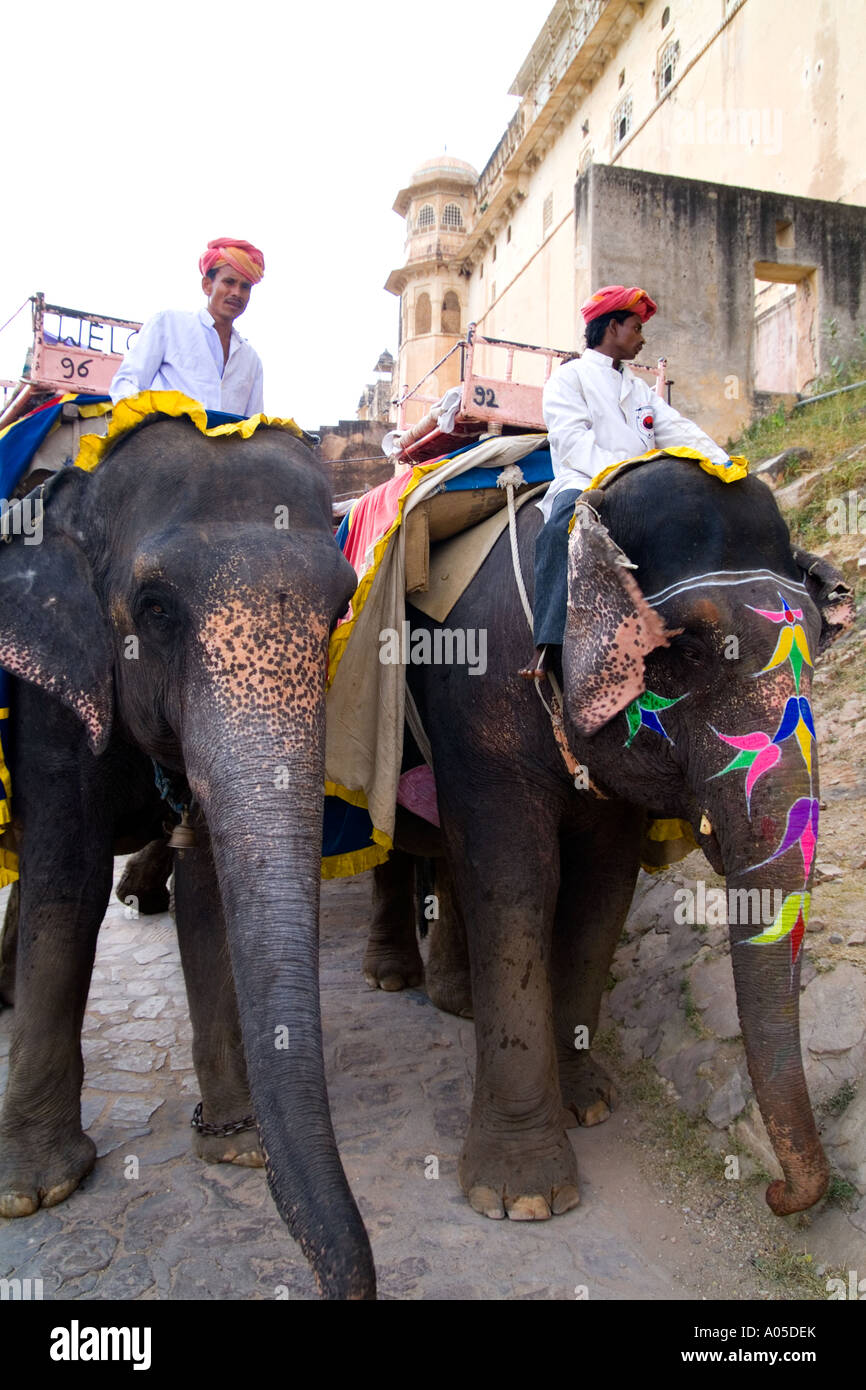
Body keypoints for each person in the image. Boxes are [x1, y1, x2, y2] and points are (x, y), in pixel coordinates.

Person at [521, 284, 733, 678]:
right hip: (585, 482)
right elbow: (572, 444)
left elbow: (680, 432)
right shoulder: (568, 381)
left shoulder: (639, 390)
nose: (642, 338)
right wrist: (626, 476)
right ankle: (550, 645)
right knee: (559, 531)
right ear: (612, 327)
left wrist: (722, 462)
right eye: (636, 328)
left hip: (645, 485)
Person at [110, 238, 265, 417]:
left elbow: (253, 424)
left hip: (226, 445)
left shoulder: (251, 360)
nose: (236, 293)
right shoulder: (168, 325)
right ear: (207, 285)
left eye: (245, 287)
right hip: (167, 440)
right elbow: (126, 384)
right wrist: (150, 424)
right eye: (229, 282)